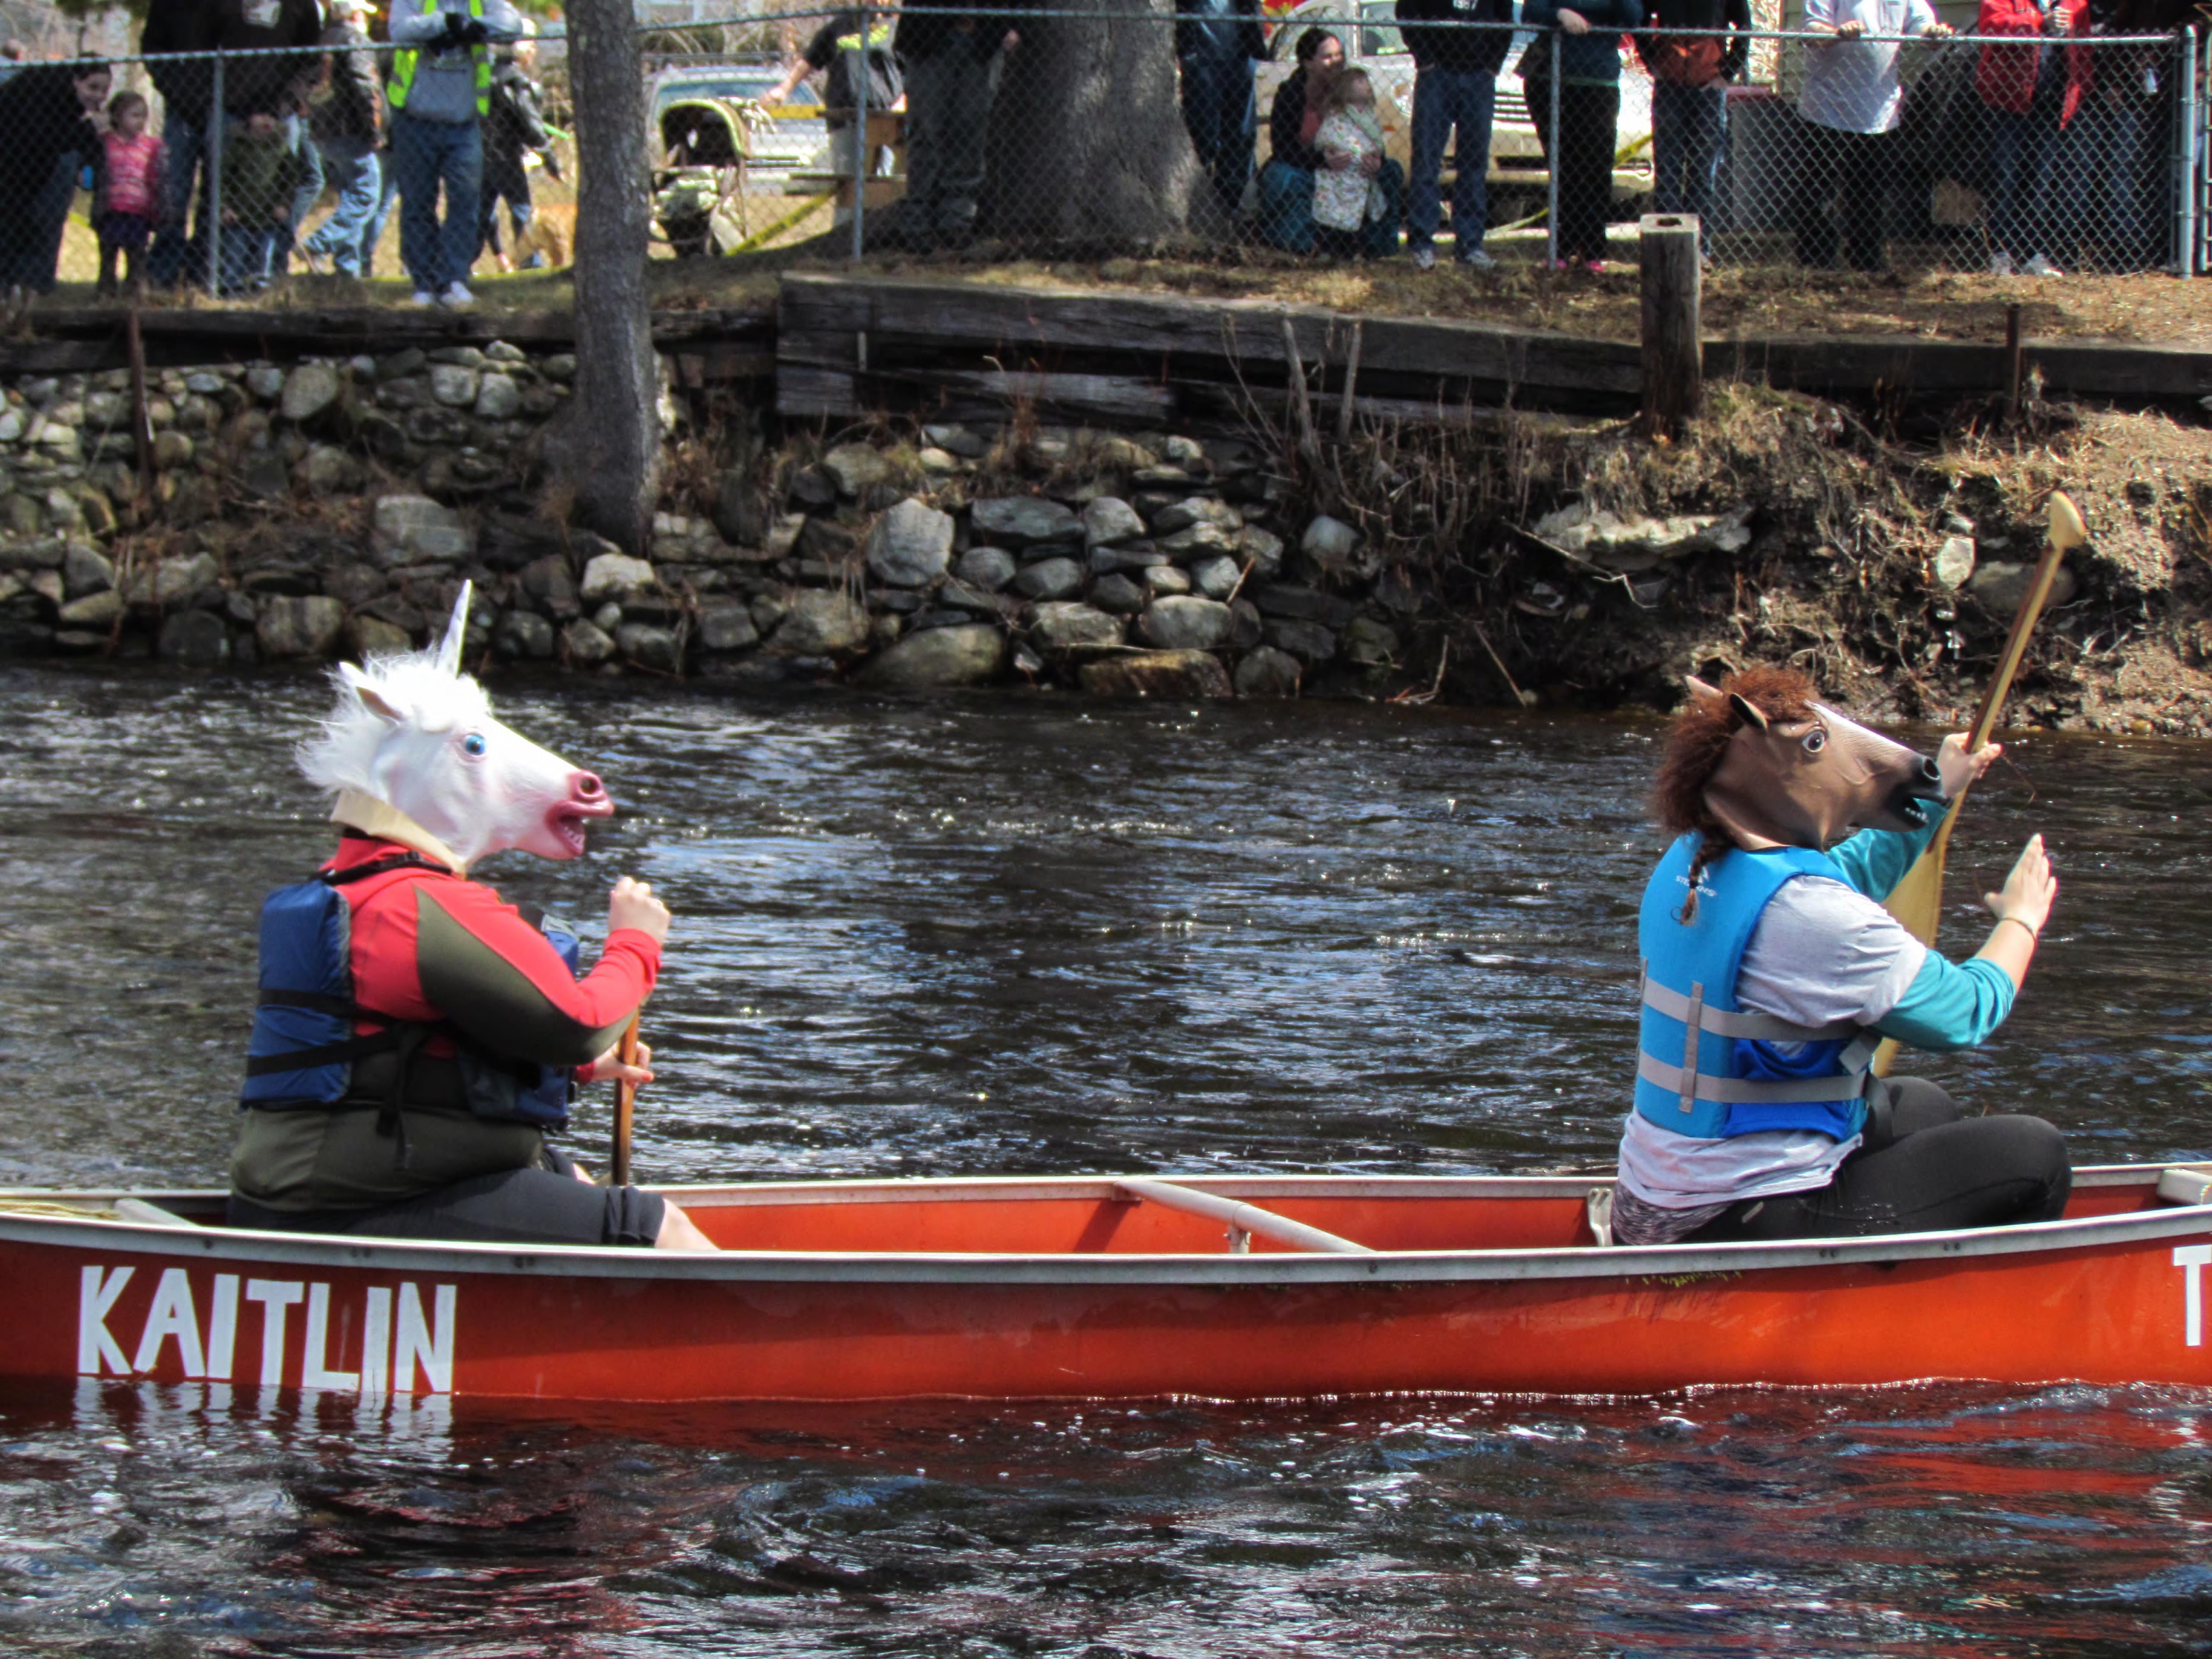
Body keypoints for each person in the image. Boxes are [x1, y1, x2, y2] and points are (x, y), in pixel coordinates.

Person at [228, 592, 718, 1252]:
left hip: (308, 1185)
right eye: (475, 748)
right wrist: (635, 943)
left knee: (567, 1177)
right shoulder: (420, 906)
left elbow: (387, 1044)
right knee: (654, 1224)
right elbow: (577, 1022)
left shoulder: (345, 885)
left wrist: (577, 1074)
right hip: (357, 1199)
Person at [1609, 667, 2070, 1247]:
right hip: (1735, 1222)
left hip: (1653, 1203)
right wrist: (2021, 919)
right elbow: (1964, 1012)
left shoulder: (1693, 862)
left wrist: (1936, 791)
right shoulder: (1813, 917)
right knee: (2034, 1153)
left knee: (1923, 1106)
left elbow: (1843, 881)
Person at [1791, 0, 1954, 271]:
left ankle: (1866, 264)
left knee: (1869, 193)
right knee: (1819, 193)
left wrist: (1934, 34)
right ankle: (1815, 265)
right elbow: (1811, 31)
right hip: (1826, 109)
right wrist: (1836, 33)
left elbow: (1923, 26)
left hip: (1878, 112)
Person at [388, 0, 529, 305]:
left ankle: (454, 279)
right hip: (415, 120)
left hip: (463, 124)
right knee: (417, 203)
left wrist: (475, 29)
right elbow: (398, 29)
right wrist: (443, 24)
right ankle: (423, 284)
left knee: (466, 202)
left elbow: (513, 23)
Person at [890, 0, 1023, 251]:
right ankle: (917, 224)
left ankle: (956, 221)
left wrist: (1016, 26)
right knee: (926, 133)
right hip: (928, 39)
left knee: (970, 133)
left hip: (983, 40)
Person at [1521, 0, 1645, 270]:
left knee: (1597, 167)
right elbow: (1531, 12)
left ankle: (1593, 251)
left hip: (1598, 84)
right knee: (1564, 166)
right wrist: (1560, 14)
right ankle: (1561, 249)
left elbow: (1633, 17)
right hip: (1553, 81)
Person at [1259, 28, 1404, 255]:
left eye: (1339, 55)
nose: (1336, 62)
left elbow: (1371, 132)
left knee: (1392, 171)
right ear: (1308, 62)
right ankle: (1303, 246)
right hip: (1309, 167)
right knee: (1283, 176)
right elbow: (1283, 148)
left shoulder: (1351, 91)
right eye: (1327, 57)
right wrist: (1321, 159)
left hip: (1352, 168)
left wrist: (1377, 159)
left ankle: (1377, 247)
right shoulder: (1291, 93)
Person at [762, 3, 903, 231]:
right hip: (845, 118)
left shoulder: (898, 29)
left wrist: (901, 103)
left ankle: (877, 241)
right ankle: (843, 243)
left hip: (885, 121)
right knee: (848, 186)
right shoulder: (839, 27)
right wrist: (784, 89)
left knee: (882, 186)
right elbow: (809, 62)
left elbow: (912, 72)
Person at [1397, 0, 1514, 271]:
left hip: (1479, 77)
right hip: (1437, 76)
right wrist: (1425, 59)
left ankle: (1470, 245)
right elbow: (1407, 12)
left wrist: (1492, 64)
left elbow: (1506, 18)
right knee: (1427, 160)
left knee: (1474, 163)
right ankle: (1422, 245)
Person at [1975, 0, 2089, 276]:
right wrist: (2039, 22)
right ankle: (2001, 253)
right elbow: (1991, 24)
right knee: (2005, 178)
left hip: (2052, 104)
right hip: (2009, 100)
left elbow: (2085, 49)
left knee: (2041, 181)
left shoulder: (2075, 4)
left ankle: (2033, 254)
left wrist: (2081, 89)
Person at [1637, 0, 1750, 260]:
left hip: (1708, 88)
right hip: (1669, 87)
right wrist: (1652, 60)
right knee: (1668, 173)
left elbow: (1744, 25)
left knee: (1703, 174)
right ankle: (1667, 252)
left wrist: (1728, 72)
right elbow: (1639, 19)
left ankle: (1699, 252)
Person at [0, 59, 108, 297]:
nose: (98, 97)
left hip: (26, 175)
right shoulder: (43, 94)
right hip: (11, 169)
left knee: (27, 228)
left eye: (104, 90)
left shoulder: (68, 104)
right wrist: (89, 131)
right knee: (15, 228)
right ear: (76, 81)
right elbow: (46, 137)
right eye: (92, 88)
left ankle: (31, 287)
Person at [301, 0, 387, 278]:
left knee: (348, 197)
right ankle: (319, 243)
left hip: (325, 131)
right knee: (366, 194)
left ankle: (347, 270)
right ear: (352, 13)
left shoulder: (323, 39)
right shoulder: (355, 39)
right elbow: (365, 86)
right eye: (362, 13)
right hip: (350, 129)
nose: (366, 19)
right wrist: (374, 129)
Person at [141, 0, 218, 288]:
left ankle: (202, 269)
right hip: (181, 108)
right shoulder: (169, 6)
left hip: (224, 106)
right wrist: (177, 89)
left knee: (216, 194)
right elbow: (152, 49)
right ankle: (164, 269)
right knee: (173, 188)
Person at [1175, 0, 1267, 224]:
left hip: (1241, 58)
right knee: (1204, 135)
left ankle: (1234, 206)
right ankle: (1201, 202)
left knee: (1240, 136)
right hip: (1202, 61)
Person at [477, 19, 558, 267]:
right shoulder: (514, 81)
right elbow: (530, 123)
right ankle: (530, 263)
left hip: (482, 155)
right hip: (506, 156)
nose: (535, 51)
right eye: (532, 45)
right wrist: (548, 155)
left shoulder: (485, 76)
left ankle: (459, 262)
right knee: (521, 210)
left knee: (481, 213)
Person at [215, 109, 310, 293]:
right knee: (235, 253)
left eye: (272, 116)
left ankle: (262, 288)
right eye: (261, 115)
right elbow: (223, 179)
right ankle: (231, 288)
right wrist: (225, 207)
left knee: (265, 255)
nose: (267, 120)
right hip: (240, 215)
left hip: (268, 215)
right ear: (249, 119)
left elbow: (290, 180)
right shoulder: (238, 147)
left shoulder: (281, 148)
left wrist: (284, 204)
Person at [1311, 69, 1394, 256]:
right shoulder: (1338, 115)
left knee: (1366, 208)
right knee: (1336, 206)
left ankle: (1367, 247)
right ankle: (1331, 247)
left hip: (1364, 172)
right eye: (1359, 81)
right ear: (1345, 88)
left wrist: (1376, 157)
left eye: (1366, 81)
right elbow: (1331, 135)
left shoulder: (1370, 116)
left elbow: (1377, 141)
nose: (1366, 85)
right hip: (1340, 172)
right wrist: (1344, 151)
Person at [96, 90, 164, 299]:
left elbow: (156, 177)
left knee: (136, 252)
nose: (141, 121)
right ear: (117, 116)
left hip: (138, 210)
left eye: (144, 115)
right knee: (109, 251)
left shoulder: (150, 146)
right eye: (135, 115)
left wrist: (157, 205)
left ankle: (134, 290)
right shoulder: (105, 143)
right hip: (112, 208)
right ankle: (106, 290)